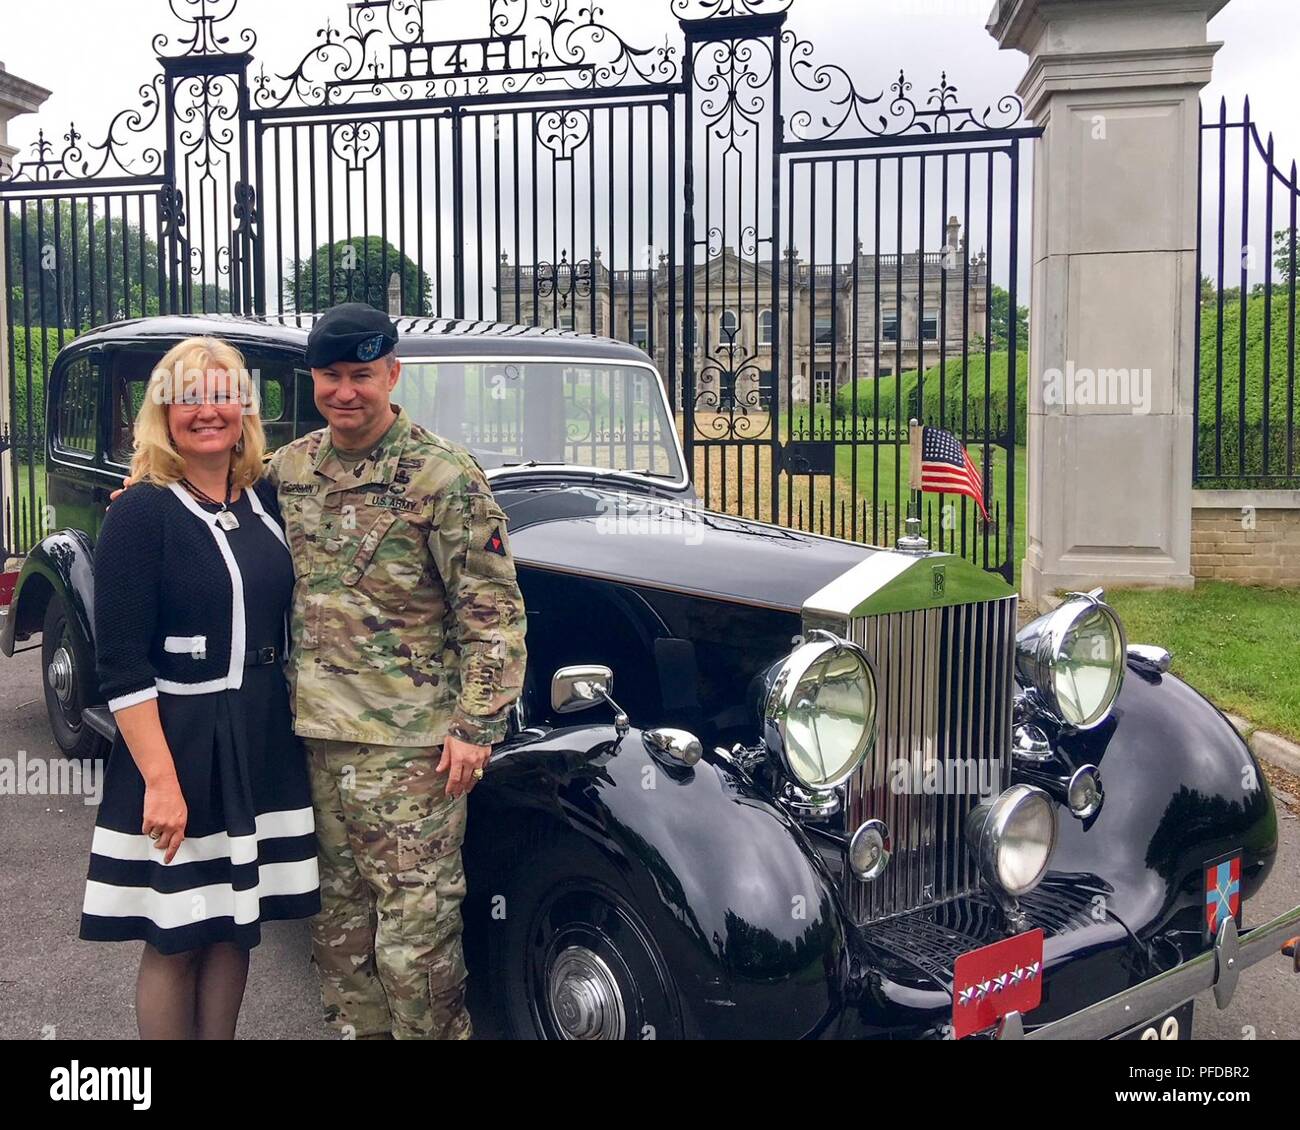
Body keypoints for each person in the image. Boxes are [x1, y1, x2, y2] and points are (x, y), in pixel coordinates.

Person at [265, 303, 527, 1040]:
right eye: (330, 376)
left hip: (412, 754)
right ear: (312, 378)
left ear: (392, 374)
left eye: (361, 376)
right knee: (339, 932)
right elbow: (208, 508)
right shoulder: (290, 470)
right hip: (316, 741)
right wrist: (147, 496)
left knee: (417, 944)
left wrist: (476, 726)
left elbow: (494, 614)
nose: (345, 391)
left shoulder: (442, 477)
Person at [81, 336, 320, 1040]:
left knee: (232, 926)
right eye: (188, 397)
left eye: (221, 395)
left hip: (258, 736)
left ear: (245, 407)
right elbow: (120, 666)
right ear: (164, 412)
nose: (206, 411)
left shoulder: (267, 499)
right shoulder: (140, 513)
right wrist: (160, 781)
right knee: (176, 934)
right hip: (178, 743)